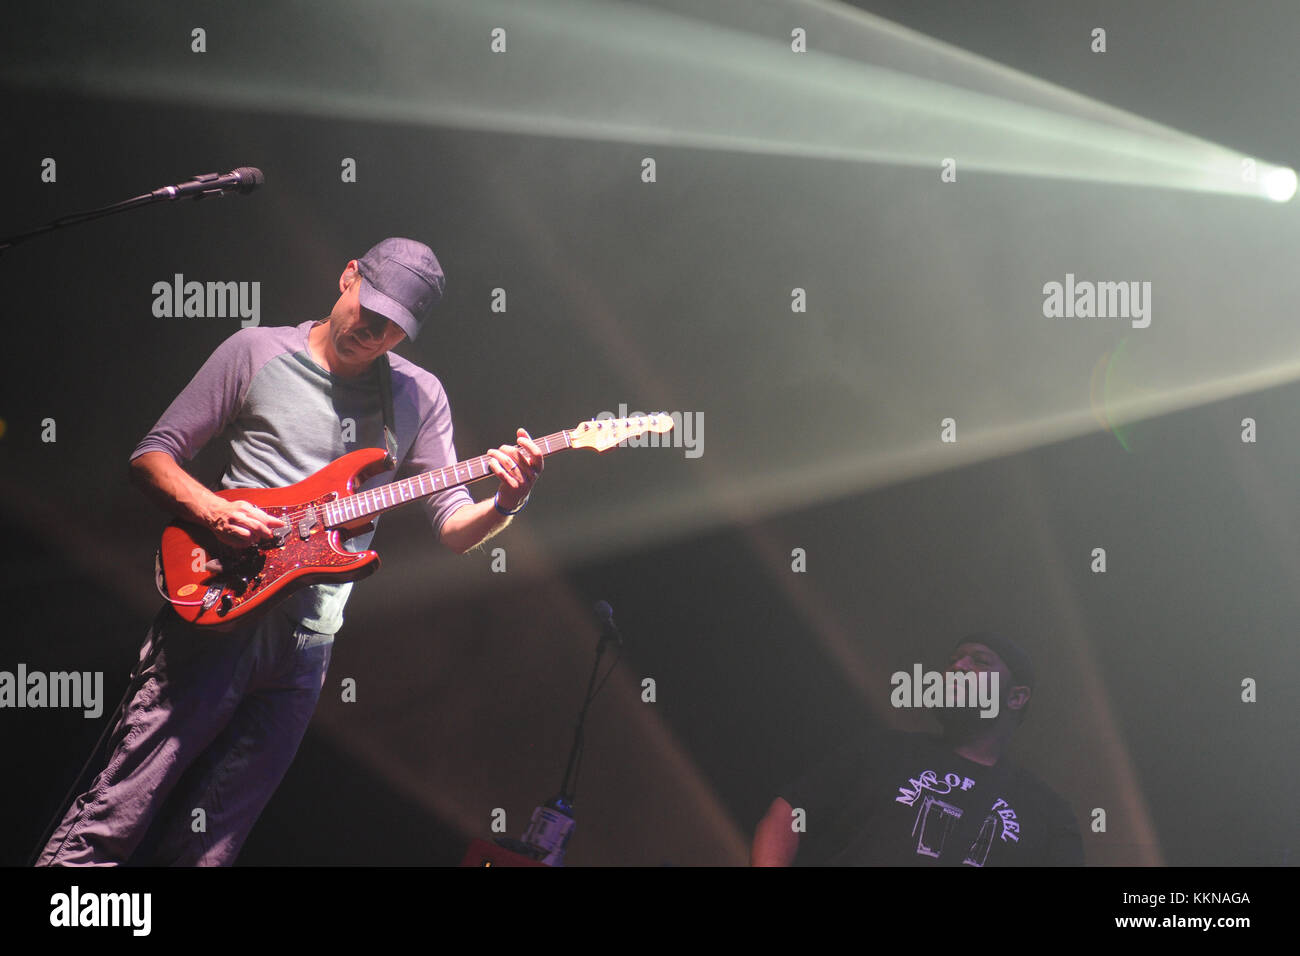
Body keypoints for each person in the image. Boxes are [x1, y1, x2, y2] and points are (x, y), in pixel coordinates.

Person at [37, 238, 543, 866]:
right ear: (348, 276)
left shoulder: (418, 396)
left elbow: (451, 524)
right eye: (372, 308)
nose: (377, 331)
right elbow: (152, 455)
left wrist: (505, 504)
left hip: (307, 646)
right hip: (219, 609)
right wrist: (213, 510)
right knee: (117, 812)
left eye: (396, 328)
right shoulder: (255, 351)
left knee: (210, 847)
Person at [751, 633, 1083, 866]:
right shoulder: (884, 751)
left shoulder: (1048, 815)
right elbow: (788, 812)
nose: (958, 668)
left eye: (980, 662)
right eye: (953, 660)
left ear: (1016, 697)